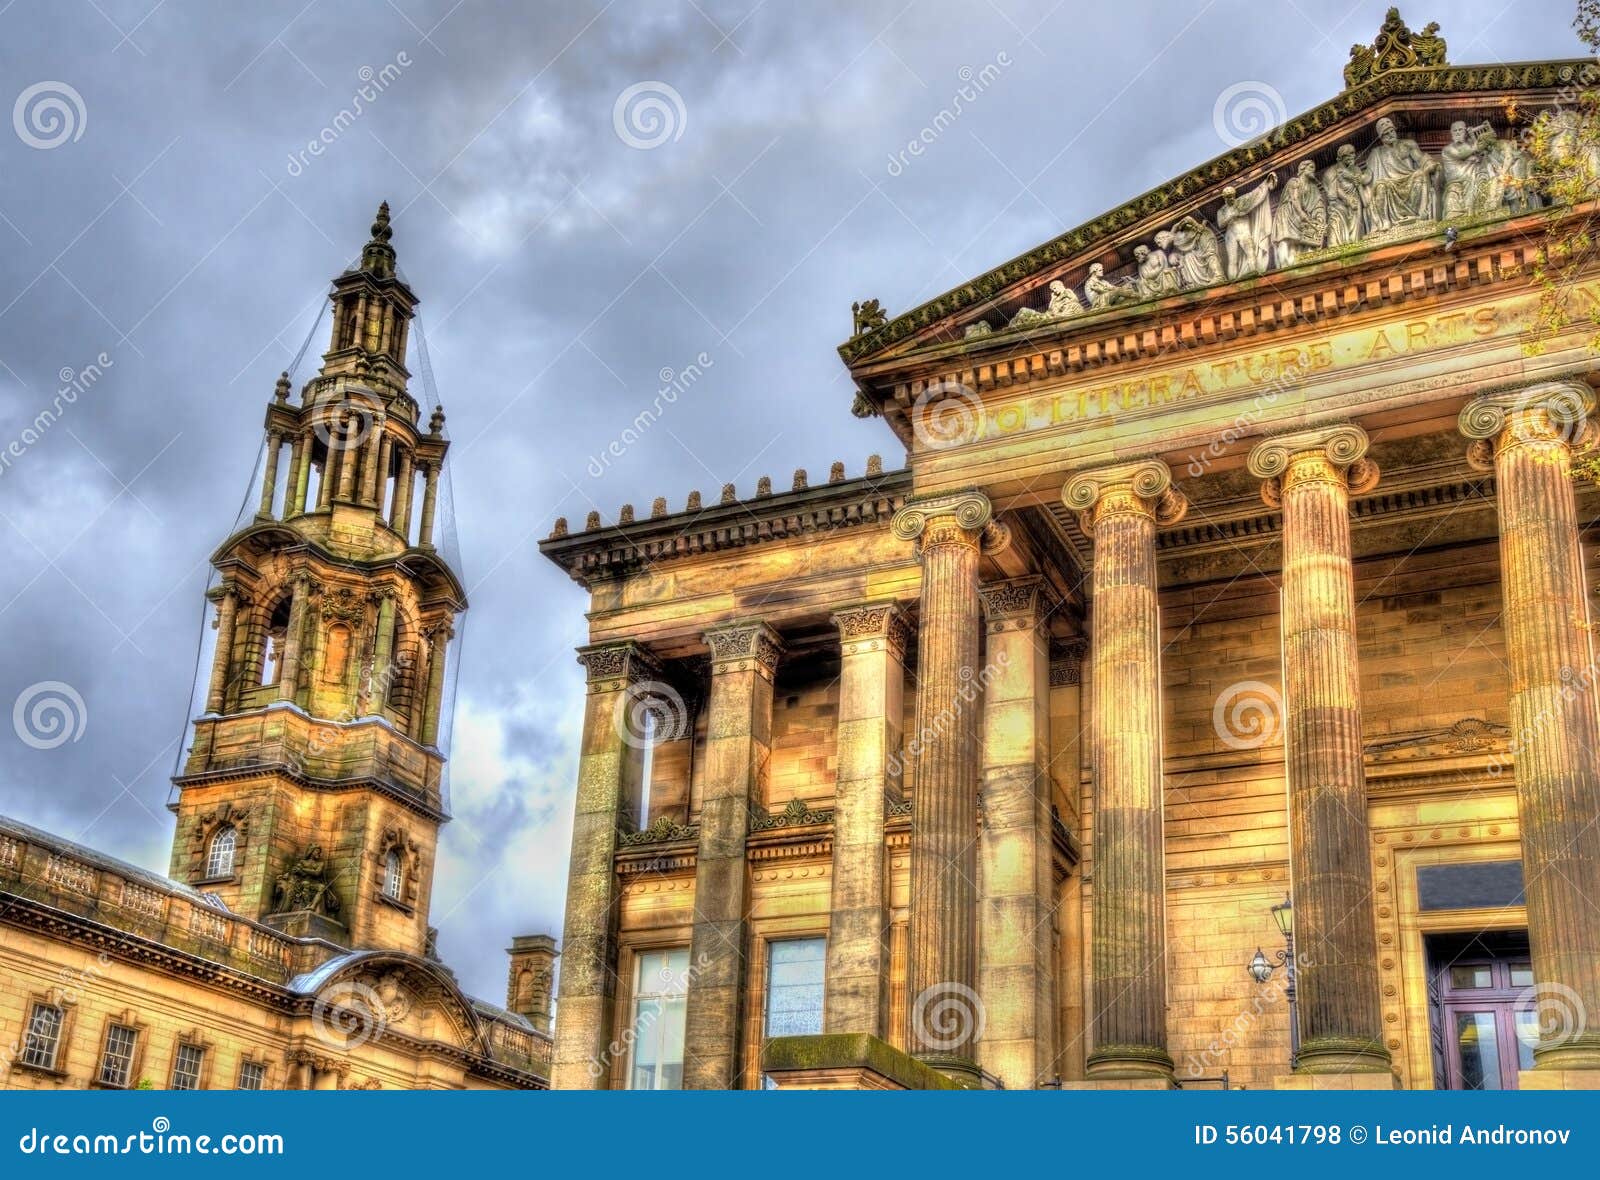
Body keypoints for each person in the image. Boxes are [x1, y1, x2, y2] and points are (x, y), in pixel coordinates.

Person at [1362, 115, 1437, 231]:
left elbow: (1420, 159)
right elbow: (1368, 175)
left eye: (1391, 131)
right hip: (1390, 184)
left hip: (1409, 178)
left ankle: (1418, 215)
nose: (1390, 134)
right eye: (1386, 133)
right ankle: (1385, 222)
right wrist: (1357, 179)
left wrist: (1430, 163)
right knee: (1380, 186)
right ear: (1381, 137)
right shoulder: (1376, 153)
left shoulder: (1408, 144)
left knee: (1420, 175)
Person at [1217, 175, 1277, 278]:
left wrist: (1266, 183)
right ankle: (1232, 281)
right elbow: (1220, 223)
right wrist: (1232, 215)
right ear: (1224, 198)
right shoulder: (1222, 210)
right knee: (1232, 260)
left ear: (1234, 195)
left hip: (1243, 231)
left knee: (1251, 253)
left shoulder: (1241, 201)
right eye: (1227, 197)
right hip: (1230, 235)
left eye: (1231, 196)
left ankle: (1254, 273)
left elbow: (1254, 195)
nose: (1230, 199)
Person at [1272, 160, 1327, 266]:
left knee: (1299, 241)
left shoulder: (1313, 188)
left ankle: (1296, 262)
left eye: (1314, 168)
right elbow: (1294, 198)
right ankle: (1285, 265)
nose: (1313, 170)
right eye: (1311, 167)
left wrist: (1319, 217)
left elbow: (1317, 203)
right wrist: (1301, 213)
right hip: (1287, 214)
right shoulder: (1294, 182)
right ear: (1302, 169)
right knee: (1286, 239)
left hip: (1300, 217)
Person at [1323, 143, 1366, 245]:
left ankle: (1355, 243)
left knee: (1357, 214)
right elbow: (1332, 192)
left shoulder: (1356, 169)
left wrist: (1352, 177)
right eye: (1350, 154)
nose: (1353, 156)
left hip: (1354, 200)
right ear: (1342, 156)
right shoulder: (1331, 172)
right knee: (1337, 216)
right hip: (1338, 204)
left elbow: (1360, 185)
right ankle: (1340, 244)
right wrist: (1347, 200)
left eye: (1354, 153)